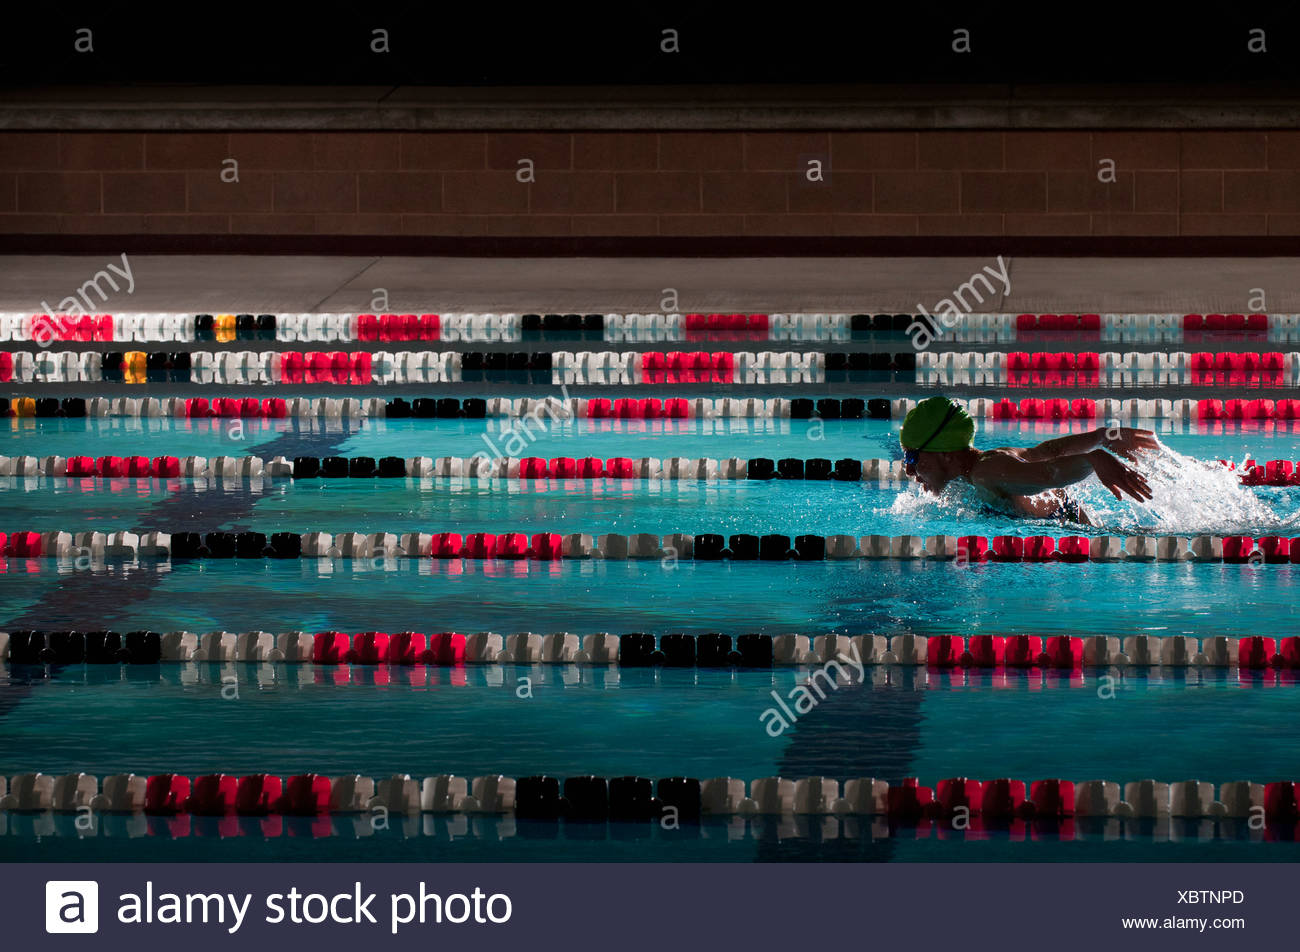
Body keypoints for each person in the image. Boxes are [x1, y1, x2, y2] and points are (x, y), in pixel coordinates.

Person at [898, 396, 1157, 525]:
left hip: (1069, 530)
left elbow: (1050, 474)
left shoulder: (986, 472)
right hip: (1069, 522)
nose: (909, 470)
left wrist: (1095, 459)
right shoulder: (992, 458)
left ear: (944, 452)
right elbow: (1049, 449)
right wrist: (1104, 436)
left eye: (913, 456)